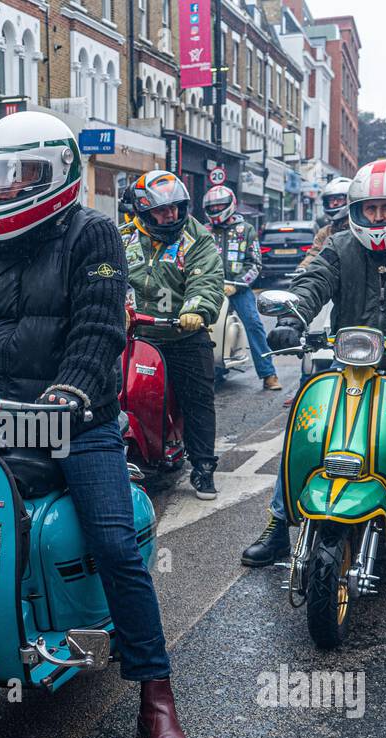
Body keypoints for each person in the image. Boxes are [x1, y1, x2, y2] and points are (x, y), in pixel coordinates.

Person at [0, 111, 191, 738]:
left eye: (17, 174)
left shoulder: (94, 233)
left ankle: (155, 693)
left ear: (53, 176)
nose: (2, 187)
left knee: (112, 543)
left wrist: (69, 394)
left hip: (75, 421)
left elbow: (98, 331)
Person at [241, 158, 386, 596]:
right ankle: (278, 524)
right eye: (369, 209)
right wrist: (293, 316)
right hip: (350, 362)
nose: (376, 217)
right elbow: (312, 280)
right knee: (304, 428)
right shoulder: (341, 243)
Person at [124, 170, 226, 500]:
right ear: (142, 210)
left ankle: (203, 467)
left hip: (182, 333)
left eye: (177, 208)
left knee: (198, 398)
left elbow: (207, 278)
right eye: (162, 210)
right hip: (134, 335)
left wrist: (195, 310)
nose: (172, 215)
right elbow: (103, 273)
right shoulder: (122, 237)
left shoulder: (197, 238)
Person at [202, 184, 281, 390]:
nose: (216, 210)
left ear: (230, 205)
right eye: (212, 206)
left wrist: (238, 284)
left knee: (254, 324)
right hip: (212, 289)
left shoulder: (246, 230)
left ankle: (268, 374)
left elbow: (255, 263)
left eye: (220, 205)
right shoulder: (205, 231)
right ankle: (215, 370)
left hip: (239, 289)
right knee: (205, 327)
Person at [300, 177, 352, 269]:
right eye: (331, 200)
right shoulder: (324, 232)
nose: (335, 203)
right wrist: (303, 268)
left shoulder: (358, 229)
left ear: (350, 199)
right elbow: (314, 254)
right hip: (332, 278)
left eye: (339, 199)